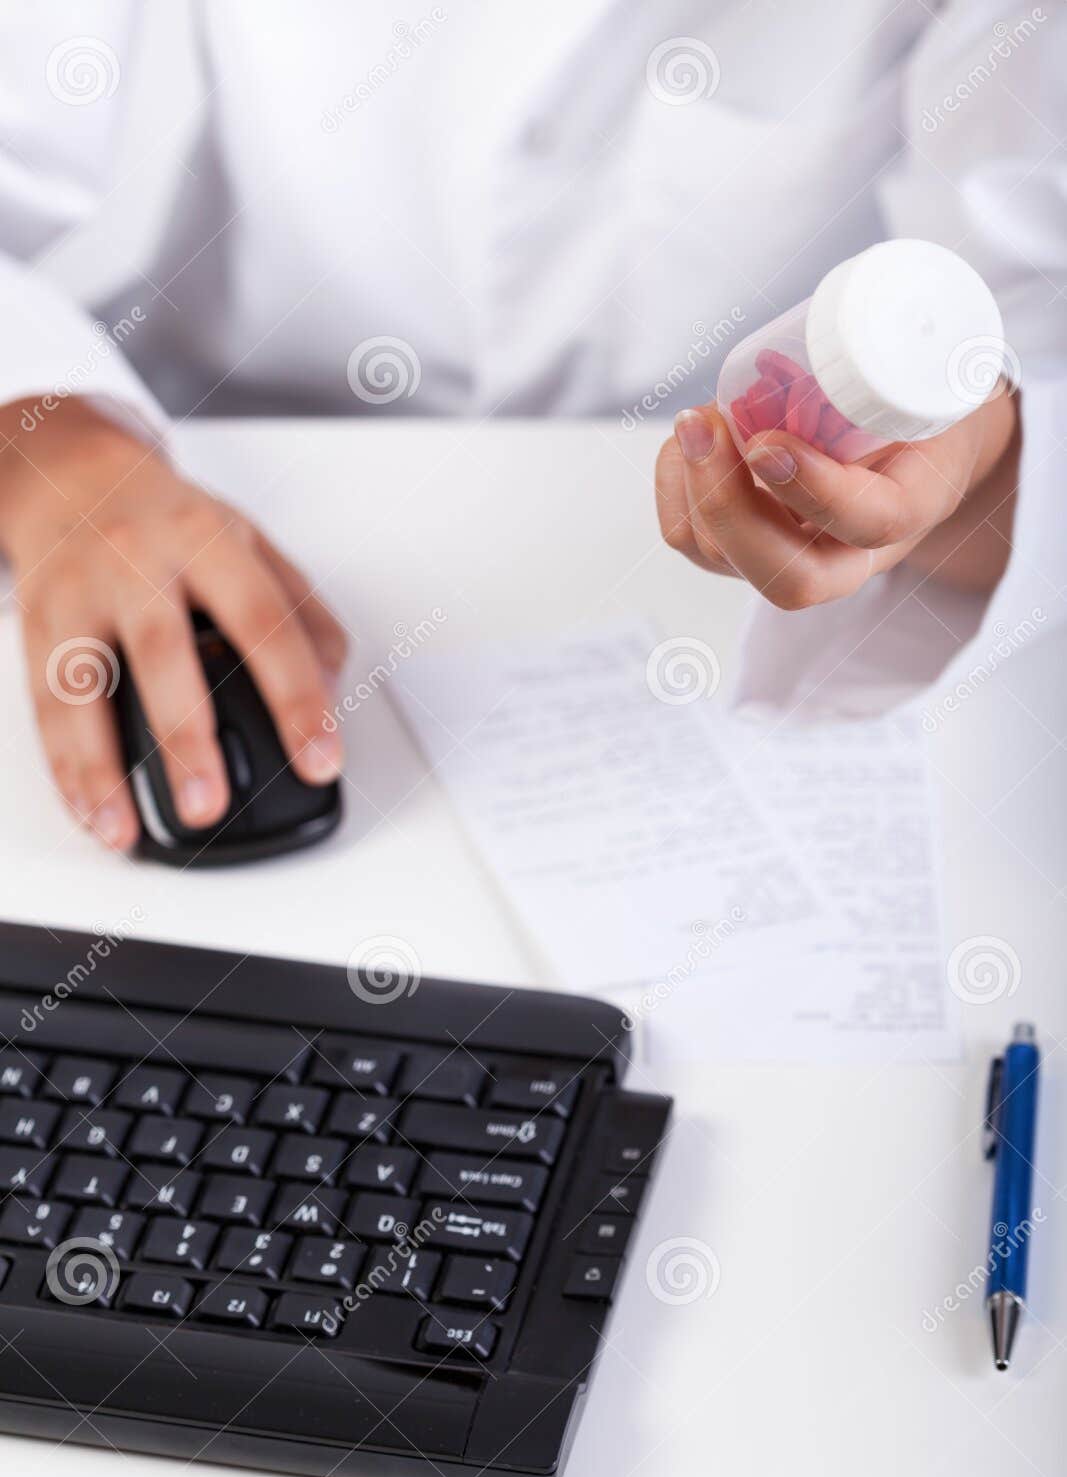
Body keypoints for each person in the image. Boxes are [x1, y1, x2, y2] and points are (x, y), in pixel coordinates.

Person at [0, 2, 1063, 848]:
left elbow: (1027, 336)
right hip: (236, 481)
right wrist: (53, 452)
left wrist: (953, 478)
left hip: (708, 603)